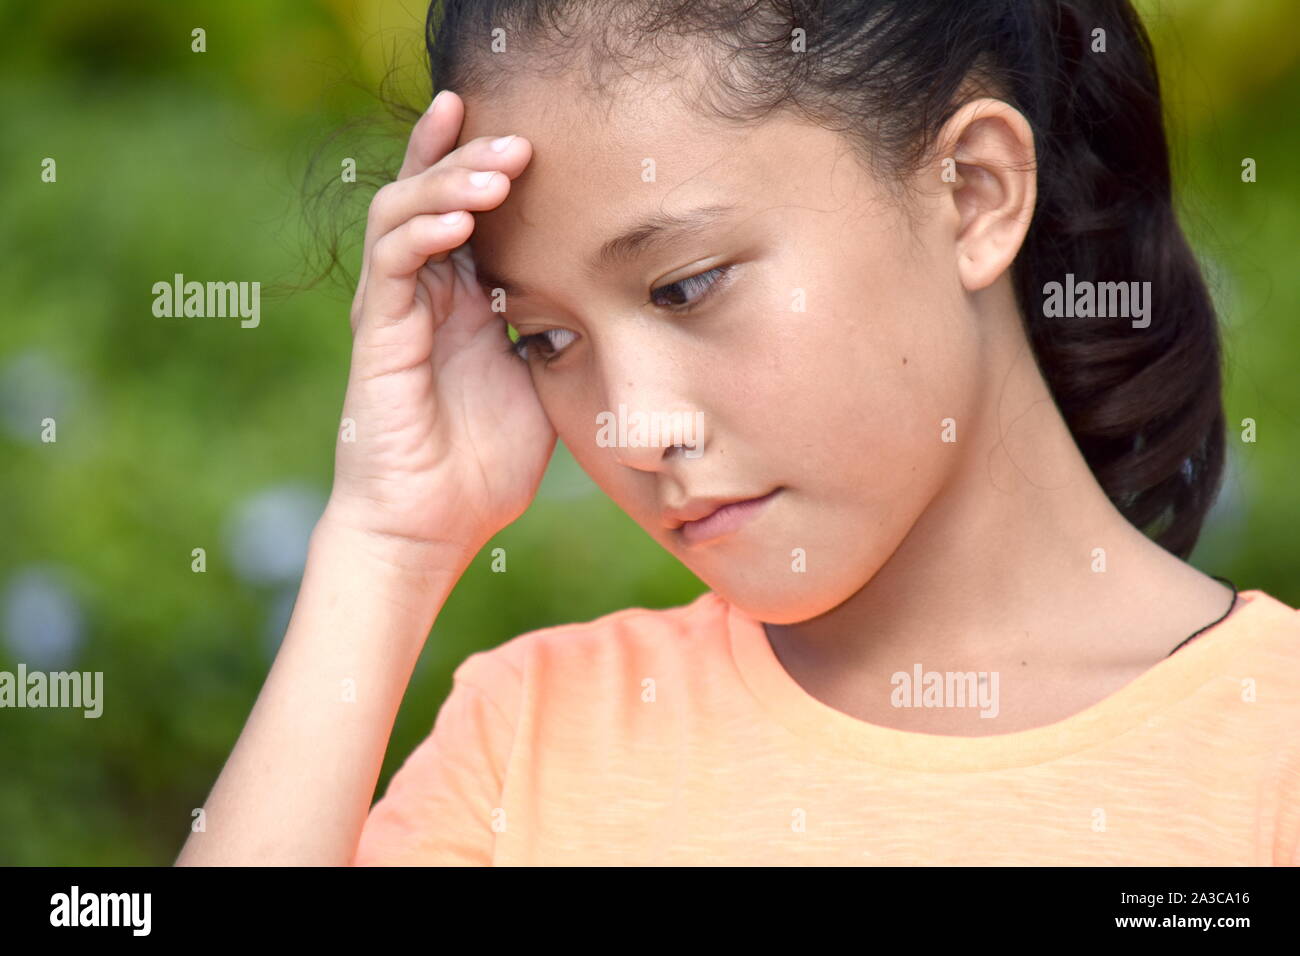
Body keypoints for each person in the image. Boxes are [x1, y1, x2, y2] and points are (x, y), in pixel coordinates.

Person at [177, 0, 1300, 866]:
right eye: (545, 340)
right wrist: (385, 545)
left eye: (685, 286)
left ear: (971, 190)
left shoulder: (1271, 755)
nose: (631, 425)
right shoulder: (528, 742)